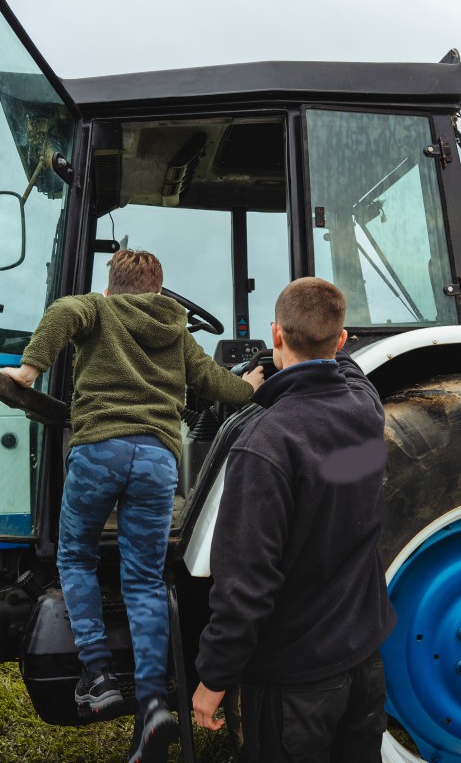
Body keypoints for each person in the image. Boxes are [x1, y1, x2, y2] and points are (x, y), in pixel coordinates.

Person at [1, 249, 263, 763]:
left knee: (75, 556)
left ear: (110, 286)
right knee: (143, 579)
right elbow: (214, 384)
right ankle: (153, 702)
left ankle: (98, 674)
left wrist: (28, 371)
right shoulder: (176, 328)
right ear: (159, 291)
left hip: (100, 450)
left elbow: (62, 311)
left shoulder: (97, 309)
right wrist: (248, 386)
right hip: (157, 461)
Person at [191, 276, 395, 763]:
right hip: (363, 665)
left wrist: (213, 679)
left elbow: (246, 584)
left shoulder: (266, 444)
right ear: (341, 340)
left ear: (276, 334)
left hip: (296, 683)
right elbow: (349, 370)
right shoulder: (365, 407)